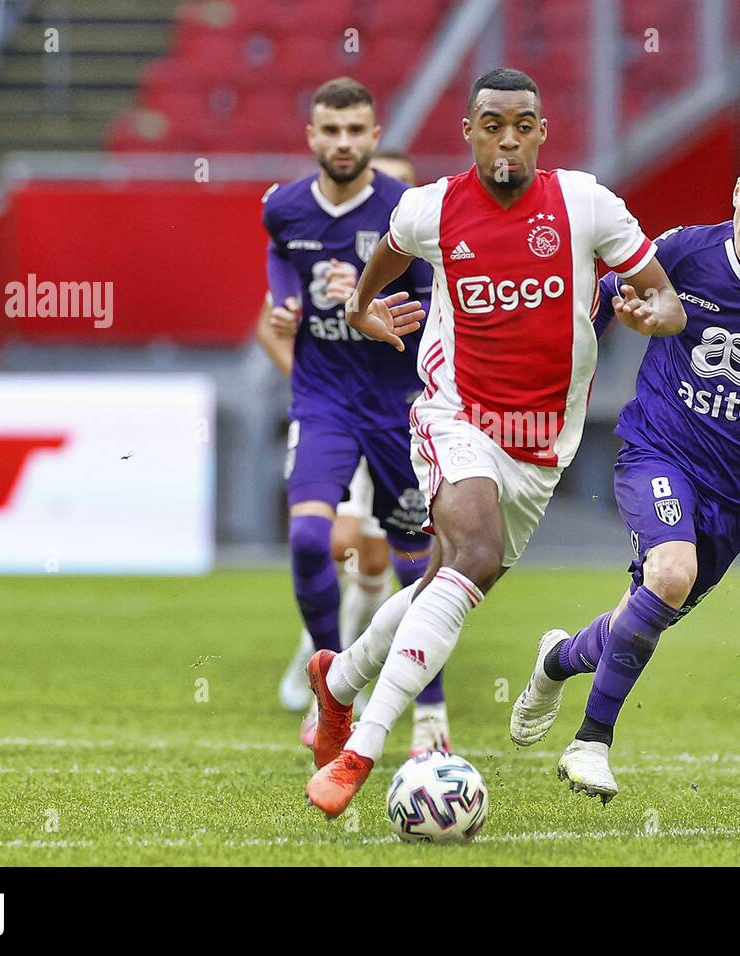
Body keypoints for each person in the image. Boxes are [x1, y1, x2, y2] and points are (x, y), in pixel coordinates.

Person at [302, 67, 687, 819]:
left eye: (523, 124)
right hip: (455, 415)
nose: (507, 138)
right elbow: (385, 251)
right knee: (471, 554)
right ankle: (359, 752)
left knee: (441, 587)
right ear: (470, 132)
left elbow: (666, 300)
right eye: (492, 124)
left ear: (541, 132)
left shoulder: (586, 205)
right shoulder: (432, 209)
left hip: (541, 448)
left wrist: (654, 317)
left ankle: (338, 683)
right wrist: (361, 309)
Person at [509, 126, 740, 802]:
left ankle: (556, 660)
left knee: (642, 613)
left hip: (738, 493)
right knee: (672, 572)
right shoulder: (681, 249)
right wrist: (615, 319)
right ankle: (591, 743)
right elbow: (607, 302)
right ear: (736, 190)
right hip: (658, 447)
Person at [260, 77, 450, 757]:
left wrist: (369, 305)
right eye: (330, 131)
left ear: (375, 136)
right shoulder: (284, 207)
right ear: (313, 137)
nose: (343, 143)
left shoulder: (408, 209)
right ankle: (331, 683)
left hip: (399, 405)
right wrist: (285, 304)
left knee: (412, 564)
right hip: (324, 400)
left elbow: (440, 308)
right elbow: (281, 260)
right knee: (312, 540)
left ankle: (430, 711)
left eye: (355, 130)